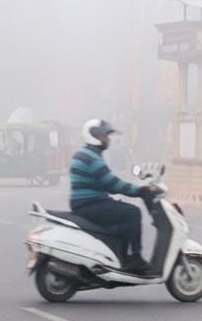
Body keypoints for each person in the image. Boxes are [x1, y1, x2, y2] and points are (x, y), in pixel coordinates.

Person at [69, 118, 160, 275]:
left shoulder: (88, 154)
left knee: (123, 219)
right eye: (105, 136)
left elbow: (107, 184)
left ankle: (121, 258)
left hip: (89, 203)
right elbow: (111, 184)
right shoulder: (91, 157)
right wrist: (139, 191)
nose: (108, 139)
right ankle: (136, 258)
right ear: (95, 136)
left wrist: (135, 189)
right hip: (89, 204)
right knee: (132, 213)